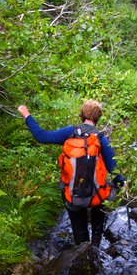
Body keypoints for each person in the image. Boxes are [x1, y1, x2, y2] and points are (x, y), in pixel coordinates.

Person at [17, 99, 124, 247]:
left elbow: (41, 136)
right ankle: (96, 244)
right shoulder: (101, 140)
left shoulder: (69, 132)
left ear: (82, 115)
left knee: (79, 229)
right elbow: (115, 170)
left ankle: (83, 249)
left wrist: (27, 114)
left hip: (72, 194)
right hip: (97, 196)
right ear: (98, 117)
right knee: (100, 207)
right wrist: (121, 185)